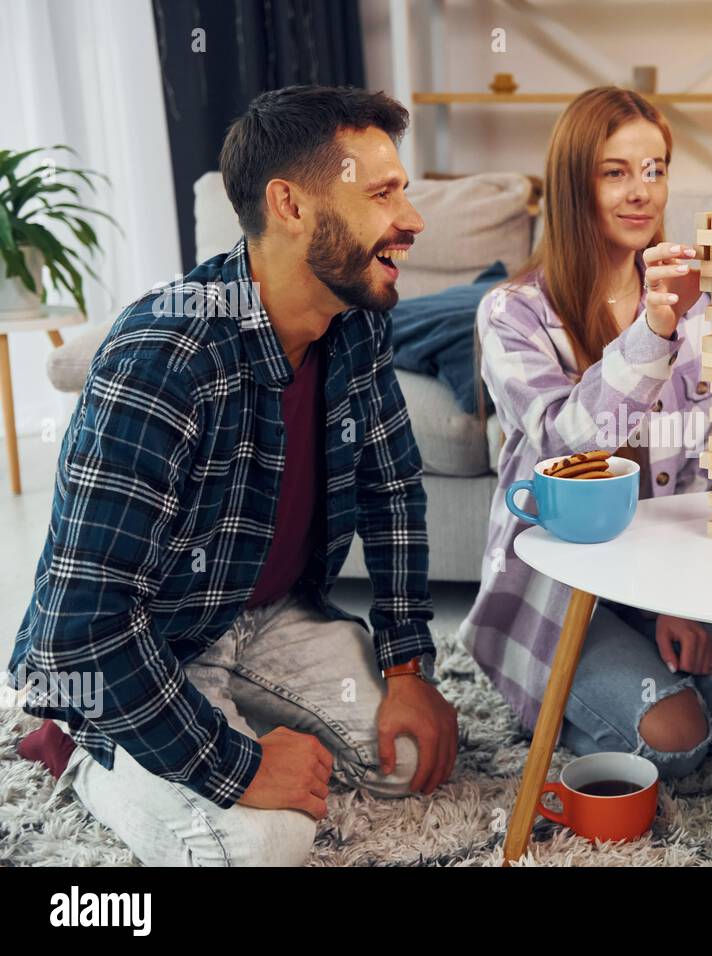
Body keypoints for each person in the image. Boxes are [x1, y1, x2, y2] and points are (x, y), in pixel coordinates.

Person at [6, 85, 458, 867]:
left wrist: (407, 663)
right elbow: (83, 627)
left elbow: (391, 495)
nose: (411, 220)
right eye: (382, 194)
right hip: (144, 647)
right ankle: (81, 743)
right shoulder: (164, 357)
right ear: (290, 204)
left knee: (411, 761)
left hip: (263, 615)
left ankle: (225, 715)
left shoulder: (355, 323)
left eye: (403, 192)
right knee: (262, 845)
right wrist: (238, 764)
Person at [460, 87, 712, 780]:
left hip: (669, 571)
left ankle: (653, 661)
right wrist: (654, 331)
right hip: (566, 588)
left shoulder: (694, 302)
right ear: (572, 182)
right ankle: (557, 700)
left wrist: (680, 602)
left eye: (656, 169)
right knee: (674, 741)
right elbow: (566, 442)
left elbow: (707, 460)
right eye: (615, 172)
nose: (641, 191)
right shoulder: (512, 312)